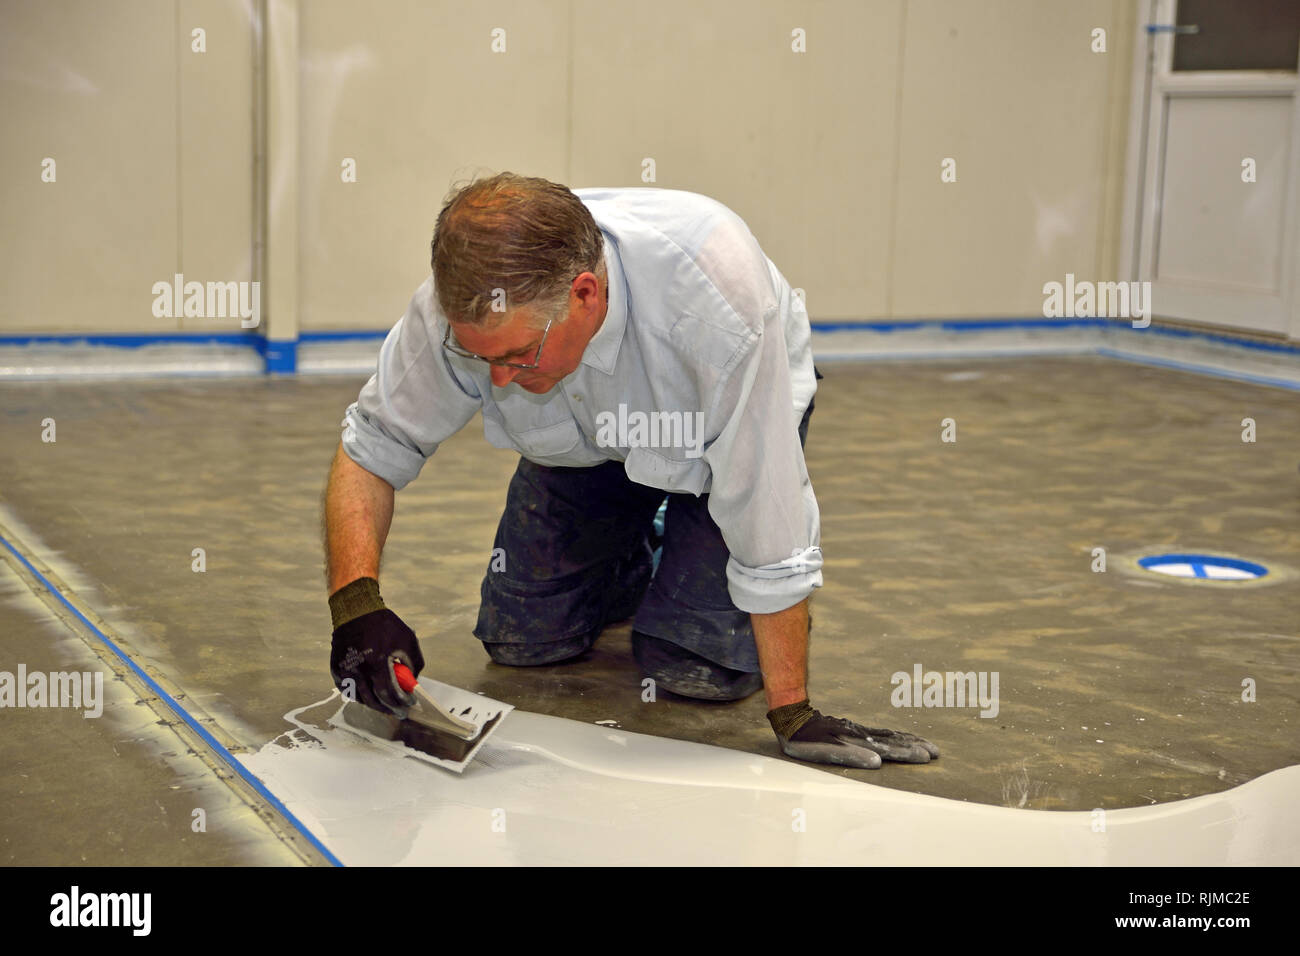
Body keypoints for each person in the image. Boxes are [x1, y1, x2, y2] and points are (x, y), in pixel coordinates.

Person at [323, 172, 938, 770]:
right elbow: (372, 447)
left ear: (585, 294)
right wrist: (357, 606)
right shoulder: (455, 308)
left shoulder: (719, 314)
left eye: (516, 355)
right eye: (483, 361)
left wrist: (794, 713)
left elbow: (766, 509)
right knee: (523, 642)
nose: (500, 380)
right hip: (580, 448)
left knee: (695, 671)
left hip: (707, 447)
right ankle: (627, 558)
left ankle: (681, 529)